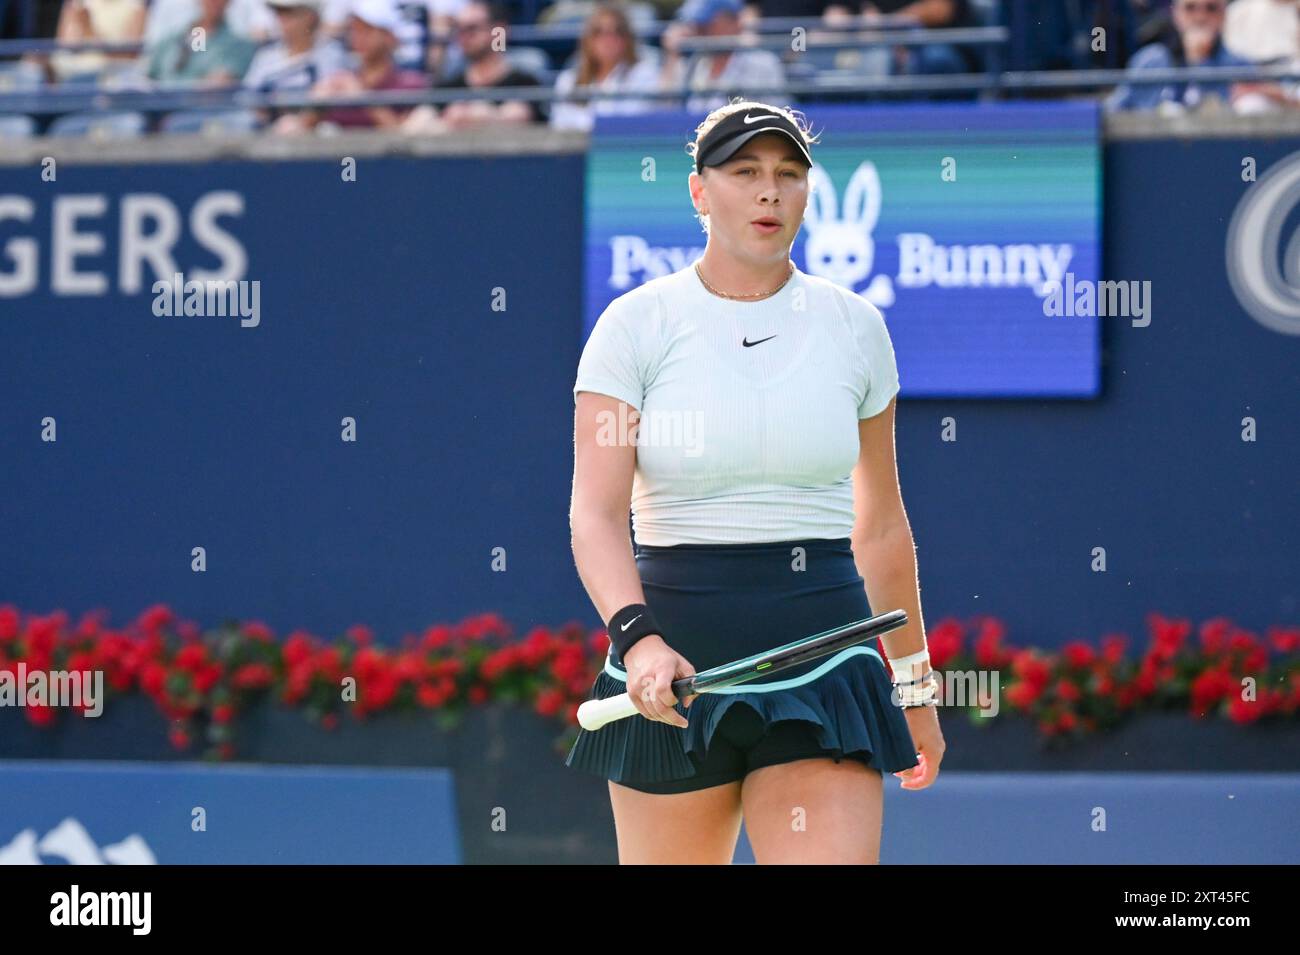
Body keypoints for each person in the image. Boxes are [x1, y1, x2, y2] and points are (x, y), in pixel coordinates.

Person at [566, 99, 943, 864]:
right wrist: (639, 643)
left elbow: (879, 525)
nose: (770, 192)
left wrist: (914, 683)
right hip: (670, 666)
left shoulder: (857, 326)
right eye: (745, 172)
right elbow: (595, 516)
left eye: (789, 174)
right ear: (701, 191)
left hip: (825, 664)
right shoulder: (632, 325)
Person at [274, 0, 427, 132]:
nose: (359, 37)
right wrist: (317, 106)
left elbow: (405, 142)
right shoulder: (338, 82)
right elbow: (303, 132)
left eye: (368, 30)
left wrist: (362, 98)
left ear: (390, 36)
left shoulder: (411, 84)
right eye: (355, 30)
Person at [1106, 0, 1254, 111]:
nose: (1200, 17)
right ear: (1176, 14)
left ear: (1224, 16)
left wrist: (1201, 61)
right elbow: (1114, 109)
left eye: (1211, 8)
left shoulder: (1240, 66)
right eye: (1190, 8)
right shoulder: (1150, 60)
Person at [428, 0, 547, 127]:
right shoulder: (448, 87)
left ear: (499, 32)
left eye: (472, 28)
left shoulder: (524, 82)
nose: (463, 36)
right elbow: (421, 121)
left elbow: (522, 117)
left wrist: (472, 116)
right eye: (459, 29)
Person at [661, 0, 788, 113]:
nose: (698, 30)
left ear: (734, 22)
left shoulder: (763, 64)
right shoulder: (692, 65)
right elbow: (662, 113)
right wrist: (672, 56)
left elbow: (777, 121)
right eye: (696, 23)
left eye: (706, 23)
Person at [549, 2, 661, 132]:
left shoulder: (643, 74)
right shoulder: (567, 80)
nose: (608, 39)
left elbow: (634, 120)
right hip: (576, 150)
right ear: (587, 39)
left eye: (616, 32)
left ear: (627, 39)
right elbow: (561, 126)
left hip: (625, 149)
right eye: (599, 32)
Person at [145, 0, 256, 87]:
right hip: (156, 107)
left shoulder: (239, 45)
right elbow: (148, 76)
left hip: (201, 112)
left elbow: (215, 86)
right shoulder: (172, 38)